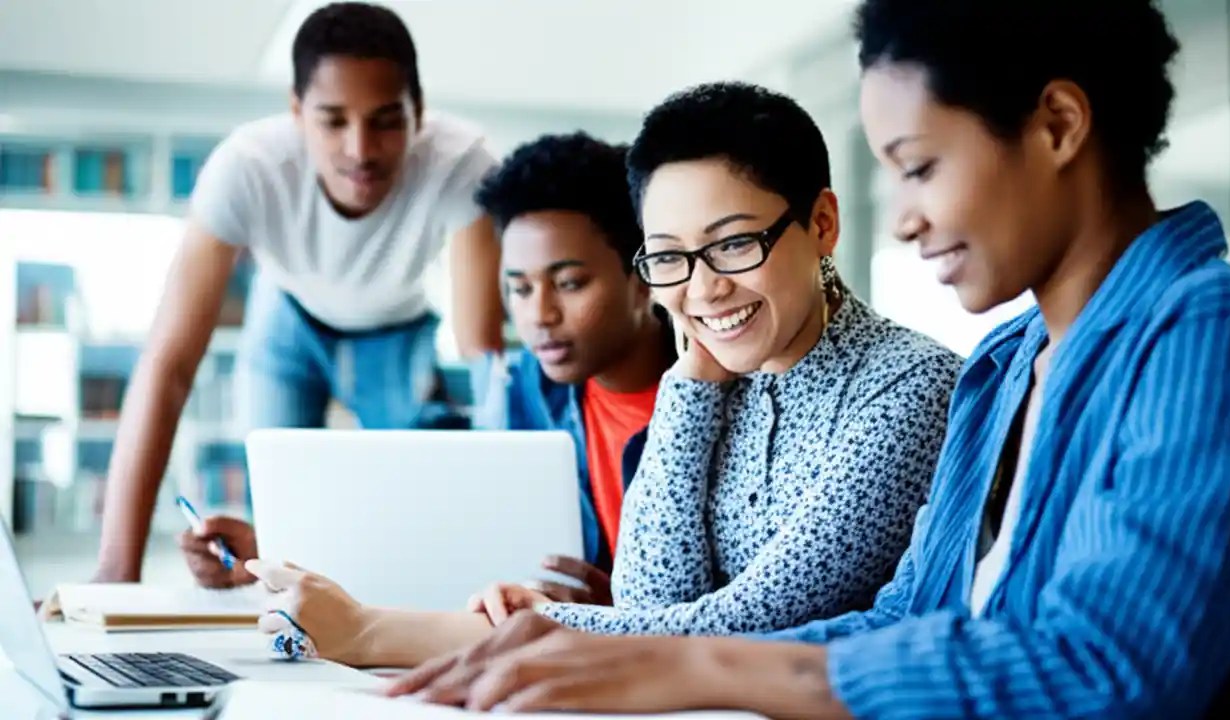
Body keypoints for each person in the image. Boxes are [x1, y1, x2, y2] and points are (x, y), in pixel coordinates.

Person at [382, 1, 1230, 717]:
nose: (901, 219)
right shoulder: (1006, 365)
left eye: (920, 167)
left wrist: (690, 667)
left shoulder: (1210, 329)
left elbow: (1108, 671)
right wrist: (654, 658)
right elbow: (908, 618)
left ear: (1056, 124)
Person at [245, 82, 962, 666]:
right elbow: (652, 597)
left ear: (824, 225)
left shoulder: (909, 389)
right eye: (671, 258)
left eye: (734, 244)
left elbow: (747, 628)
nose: (704, 290)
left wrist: (376, 633)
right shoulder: (718, 381)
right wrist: (694, 380)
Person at [94, 2, 505, 586]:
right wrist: (116, 573)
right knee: (278, 519)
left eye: (387, 120)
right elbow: (170, 364)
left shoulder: (463, 164)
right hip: (287, 323)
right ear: (296, 112)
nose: (360, 150)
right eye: (333, 121)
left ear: (420, 112)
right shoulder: (246, 167)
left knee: (413, 500)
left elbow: (482, 353)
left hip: (395, 331)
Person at [468, 131, 678, 604]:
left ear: (644, 277)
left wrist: (622, 610)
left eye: (568, 283)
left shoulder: (722, 396)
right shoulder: (530, 384)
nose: (539, 315)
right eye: (520, 289)